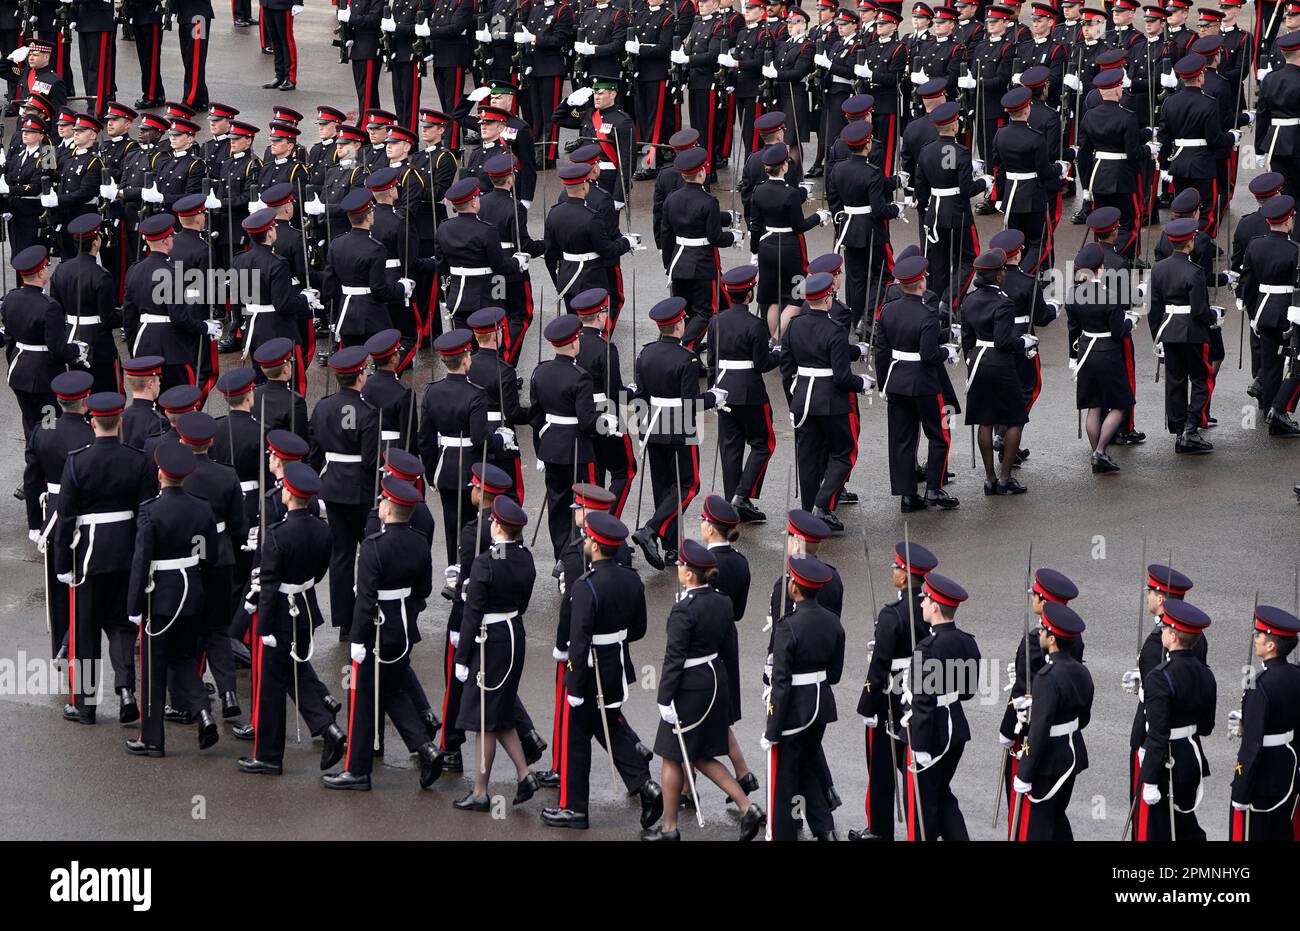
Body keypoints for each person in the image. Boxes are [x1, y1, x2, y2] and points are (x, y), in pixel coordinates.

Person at [542, 511, 664, 831]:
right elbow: (638, 629)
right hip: (616, 665)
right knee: (605, 722)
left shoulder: (586, 586)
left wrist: (572, 684)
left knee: (576, 736)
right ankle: (644, 783)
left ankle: (574, 808)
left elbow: (578, 642)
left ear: (595, 546)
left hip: (591, 670)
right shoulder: (631, 579)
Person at [323, 476, 443, 791]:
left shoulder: (375, 547)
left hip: (375, 632)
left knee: (362, 699)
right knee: (390, 691)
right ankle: (425, 748)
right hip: (402, 628)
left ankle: (357, 770)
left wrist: (358, 641)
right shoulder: (419, 542)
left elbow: (365, 601)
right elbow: (424, 589)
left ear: (388, 508)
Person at [642, 539, 766, 841]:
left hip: (689, 688)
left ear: (687, 574)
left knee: (672, 755)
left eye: (681, 566)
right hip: (714, 680)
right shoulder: (722, 601)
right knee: (699, 755)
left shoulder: (684, 610)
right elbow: (726, 647)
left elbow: (674, 658)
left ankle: (670, 828)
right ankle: (747, 807)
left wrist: (664, 698)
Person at [55, 390, 150, 726]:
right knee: (122, 627)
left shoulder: (78, 460)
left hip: (89, 557)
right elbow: (144, 513)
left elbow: (66, 517)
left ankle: (86, 705)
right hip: (126, 553)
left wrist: (63, 564)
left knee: (85, 631)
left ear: (92, 421)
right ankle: (126, 689)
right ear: (119, 421)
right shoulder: (138, 460)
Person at [126, 441, 220, 757]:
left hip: (161, 597)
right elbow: (209, 556)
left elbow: (141, 562)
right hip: (192, 593)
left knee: (154, 668)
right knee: (182, 659)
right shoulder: (202, 508)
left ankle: (152, 739)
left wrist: (134, 606)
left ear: (160, 474)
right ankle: (203, 711)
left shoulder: (150, 511)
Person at [451, 496, 542, 811]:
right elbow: (523, 601)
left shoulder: (485, 562)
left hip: (491, 642)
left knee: (484, 719)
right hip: (514, 633)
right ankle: (524, 773)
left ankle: (479, 791)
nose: (489, 523)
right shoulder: (525, 558)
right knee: (499, 711)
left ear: (499, 526)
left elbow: (472, 614)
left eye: (493, 521)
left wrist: (461, 659)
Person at [848, 540, 936, 842]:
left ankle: (878, 829)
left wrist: (867, 706)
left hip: (889, 698)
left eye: (896, 567)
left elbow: (879, 666)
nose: (893, 571)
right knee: (911, 765)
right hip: (921, 693)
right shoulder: (930, 607)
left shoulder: (892, 613)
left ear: (904, 575)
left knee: (881, 768)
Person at [630, 297, 727, 569]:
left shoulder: (645, 353)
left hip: (652, 426)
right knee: (688, 484)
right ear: (679, 325)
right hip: (679, 428)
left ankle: (671, 547)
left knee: (664, 488)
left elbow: (640, 396)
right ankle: (651, 529)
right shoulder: (688, 358)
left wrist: (641, 432)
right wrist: (712, 398)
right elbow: (689, 405)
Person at [780, 271, 872, 531]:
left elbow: (787, 368)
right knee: (843, 454)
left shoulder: (795, 326)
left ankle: (809, 511)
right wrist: (862, 383)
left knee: (808, 458)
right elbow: (842, 378)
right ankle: (822, 505)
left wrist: (793, 399)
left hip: (803, 402)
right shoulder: (834, 330)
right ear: (828, 298)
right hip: (830, 402)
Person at [764, 554, 846, 841]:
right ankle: (825, 830)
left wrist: (771, 729)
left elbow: (781, 682)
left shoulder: (788, 625)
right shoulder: (833, 623)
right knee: (809, 765)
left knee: (786, 780)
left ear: (795, 587)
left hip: (796, 710)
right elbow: (834, 674)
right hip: (821, 706)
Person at [874, 254, 959, 512]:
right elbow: (929, 355)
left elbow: (881, 350)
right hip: (924, 383)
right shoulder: (927, 314)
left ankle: (908, 495)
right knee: (939, 435)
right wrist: (948, 352)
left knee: (903, 439)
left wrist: (882, 384)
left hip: (896, 380)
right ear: (921, 283)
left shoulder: (888, 310)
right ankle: (934, 488)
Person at [307, 346, 380, 638]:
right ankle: (368, 614)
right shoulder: (368, 412)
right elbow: (372, 461)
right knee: (371, 554)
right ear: (360, 376)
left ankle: (344, 622)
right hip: (361, 490)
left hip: (333, 487)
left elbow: (314, 453)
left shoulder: (323, 407)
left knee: (341, 556)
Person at [902, 571, 980, 841]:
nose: (921, 603)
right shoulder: (967, 642)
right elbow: (968, 692)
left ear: (935, 606)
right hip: (956, 728)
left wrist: (920, 747)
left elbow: (923, 701)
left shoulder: (927, 648)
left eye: (925, 600)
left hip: (932, 734)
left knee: (923, 804)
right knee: (941, 792)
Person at [23, 370, 95, 661]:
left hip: (52, 517)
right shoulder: (93, 433)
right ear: (86, 399)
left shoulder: (43, 430)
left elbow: (31, 479)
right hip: (89, 517)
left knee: (58, 592)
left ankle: (62, 647)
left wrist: (33, 524)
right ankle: (78, 645)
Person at [1008, 601, 1093, 841]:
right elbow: (1084, 717)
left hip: (1050, 760)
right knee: (1057, 817)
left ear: (1053, 639)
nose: (1041, 633)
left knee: (1040, 826)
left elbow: (1039, 730)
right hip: (1072, 750)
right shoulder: (1081, 671)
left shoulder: (1046, 677)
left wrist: (1024, 772)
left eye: (1044, 630)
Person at [1133, 598, 1216, 841]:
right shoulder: (1206, 674)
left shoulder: (1160, 677)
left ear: (1173, 636)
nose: (1163, 633)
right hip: (1191, 756)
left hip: (1166, 762)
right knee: (1184, 824)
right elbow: (1207, 727)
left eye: (1166, 630)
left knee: (1159, 829)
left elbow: (1158, 733)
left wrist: (1148, 778)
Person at [709, 266, 780, 522]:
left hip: (723, 388)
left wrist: (712, 390)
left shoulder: (716, 321)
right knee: (763, 444)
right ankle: (741, 495)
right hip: (750, 392)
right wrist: (778, 354)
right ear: (749, 293)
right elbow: (762, 364)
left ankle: (734, 502)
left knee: (731, 448)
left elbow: (712, 360)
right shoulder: (756, 324)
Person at [961, 248, 1033, 495]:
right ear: (997, 275)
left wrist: (970, 364)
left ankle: (989, 478)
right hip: (1000, 363)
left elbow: (967, 340)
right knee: (1015, 418)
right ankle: (1004, 478)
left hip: (978, 361)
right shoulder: (1004, 303)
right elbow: (1004, 342)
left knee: (985, 420)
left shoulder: (968, 300)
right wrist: (1024, 342)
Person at [1065, 242, 1140, 474]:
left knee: (1094, 407)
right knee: (1120, 404)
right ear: (1100, 268)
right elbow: (1118, 331)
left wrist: (1073, 357)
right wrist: (1131, 321)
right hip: (1108, 351)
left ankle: (1098, 453)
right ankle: (1099, 452)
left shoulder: (1072, 295)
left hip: (1086, 350)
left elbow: (1073, 329)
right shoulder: (1110, 296)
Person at [1228, 605, 1300, 841]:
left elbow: (1251, 746)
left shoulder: (1261, 683)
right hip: (1287, 765)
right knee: (1281, 830)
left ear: (1271, 646)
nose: (1255, 638)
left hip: (1264, 774)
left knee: (1256, 833)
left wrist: (1240, 789)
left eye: (1259, 634)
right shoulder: (1295, 673)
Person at [1148, 216, 1218, 454]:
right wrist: (1214, 317)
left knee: (1175, 381)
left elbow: (1154, 308)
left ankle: (1179, 430)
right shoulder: (1195, 271)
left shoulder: (1158, 268)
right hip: (1192, 331)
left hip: (1168, 331)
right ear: (1189, 243)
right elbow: (1199, 310)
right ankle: (1190, 429)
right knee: (1201, 379)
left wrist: (1157, 335)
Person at [1238, 194, 1300, 437]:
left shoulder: (1255, 244)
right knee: (1296, 365)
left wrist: (1254, 314)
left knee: (1271, 365)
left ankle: (1270, 417)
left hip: (1263, 310)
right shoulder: (1295, 250)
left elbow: (1248, 283)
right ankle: (1279, 411)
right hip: (1289, 311)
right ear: (1286, 222)